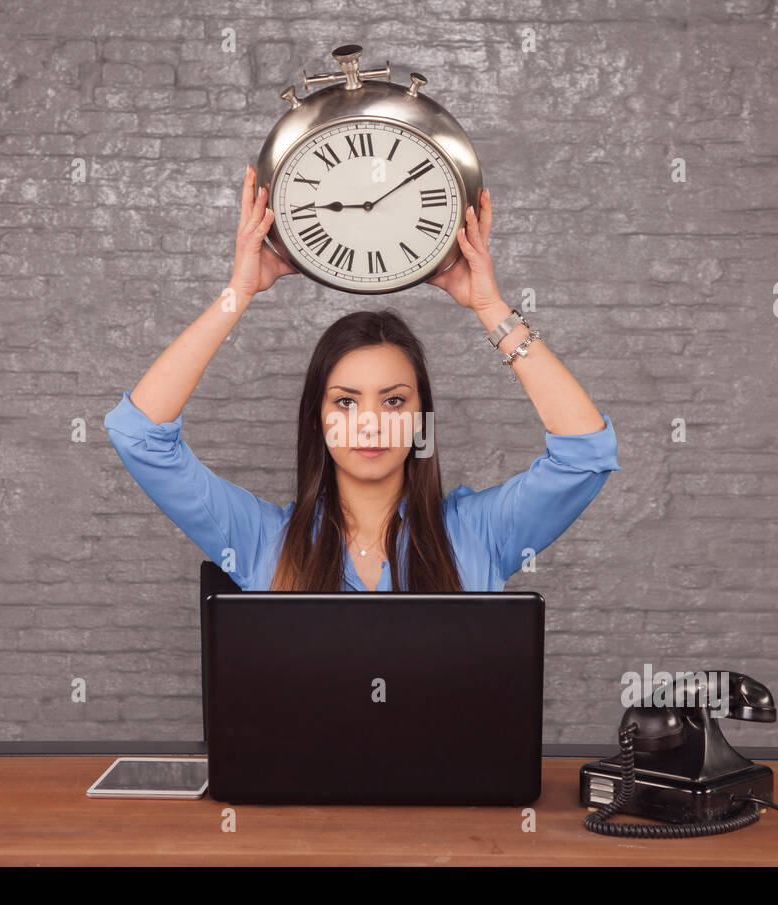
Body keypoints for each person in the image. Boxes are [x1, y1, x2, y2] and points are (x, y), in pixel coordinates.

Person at [104, 164, 620, 591]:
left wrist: (490, 307)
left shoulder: (480, 534)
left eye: (393, 402)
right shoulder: (261, 538)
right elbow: (139, 436)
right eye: (345, 403)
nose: (368, 423)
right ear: (317, 421)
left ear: (423, 423)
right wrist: (240, 290)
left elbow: (585, 454)